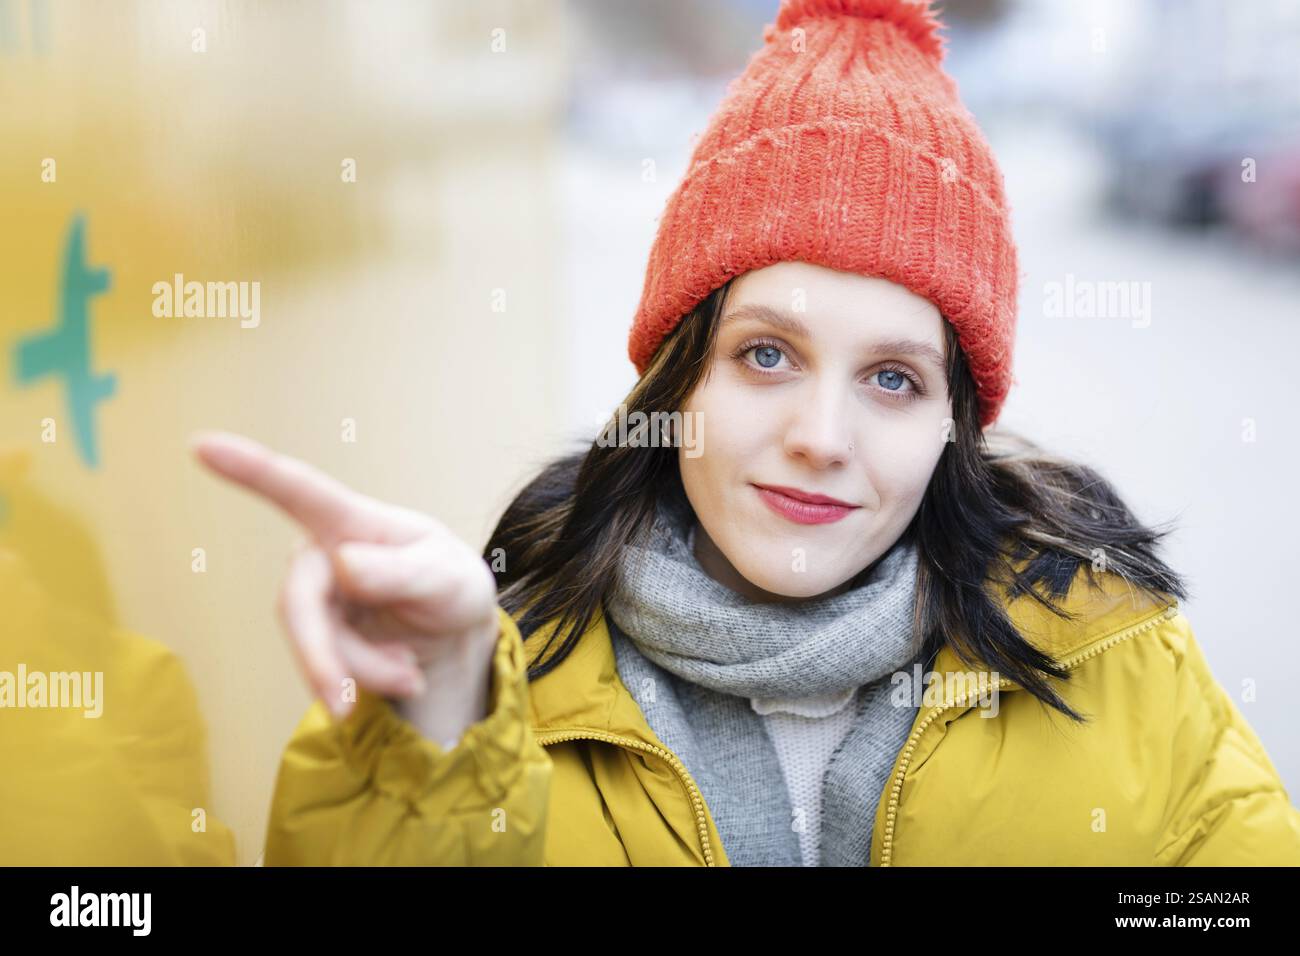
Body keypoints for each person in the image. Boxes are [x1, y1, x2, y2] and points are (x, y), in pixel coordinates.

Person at [193, 0, 1300, 866]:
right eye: (766, 353)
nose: (822, 436)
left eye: (893, 379)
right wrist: (437, 722)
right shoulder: (495, 678)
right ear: (682, 373)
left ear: (954, 427)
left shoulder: (1111, 654)